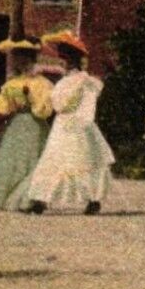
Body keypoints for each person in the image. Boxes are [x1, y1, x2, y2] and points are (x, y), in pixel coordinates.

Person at [25, 30, 114, 215]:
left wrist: (60, 100)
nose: (64, 61)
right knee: (54, 159)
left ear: (74, 59)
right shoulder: (66, 79)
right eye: (63, 57)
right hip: (64, 124)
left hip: (76, 124)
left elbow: (68, 103)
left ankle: (93, 199)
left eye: (67, 57)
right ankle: (41, 200)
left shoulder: (81, 80)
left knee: (82, 161)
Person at [0, 38, 54, 212]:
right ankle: (11, 198)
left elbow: (44, 110)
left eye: (22, 58)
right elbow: (3, 108)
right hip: (17, 124)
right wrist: (8, 101)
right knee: (12, 160)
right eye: (16, 57)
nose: (18, 61)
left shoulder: (41, 83)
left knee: (33, 160)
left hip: (35, 125)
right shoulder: (12, 83)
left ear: (30, 59)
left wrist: (31, 98)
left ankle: (30, 200)